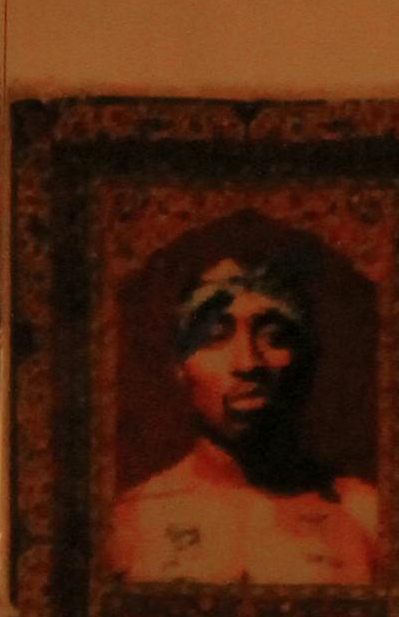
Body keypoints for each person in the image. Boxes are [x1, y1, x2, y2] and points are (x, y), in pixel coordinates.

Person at [105, 241, 383, 587]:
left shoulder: (366, 516)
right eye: (215, 337)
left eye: (274, 337)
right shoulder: (131, 521)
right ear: (180, 368)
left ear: (306, 362)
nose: (248, 363)